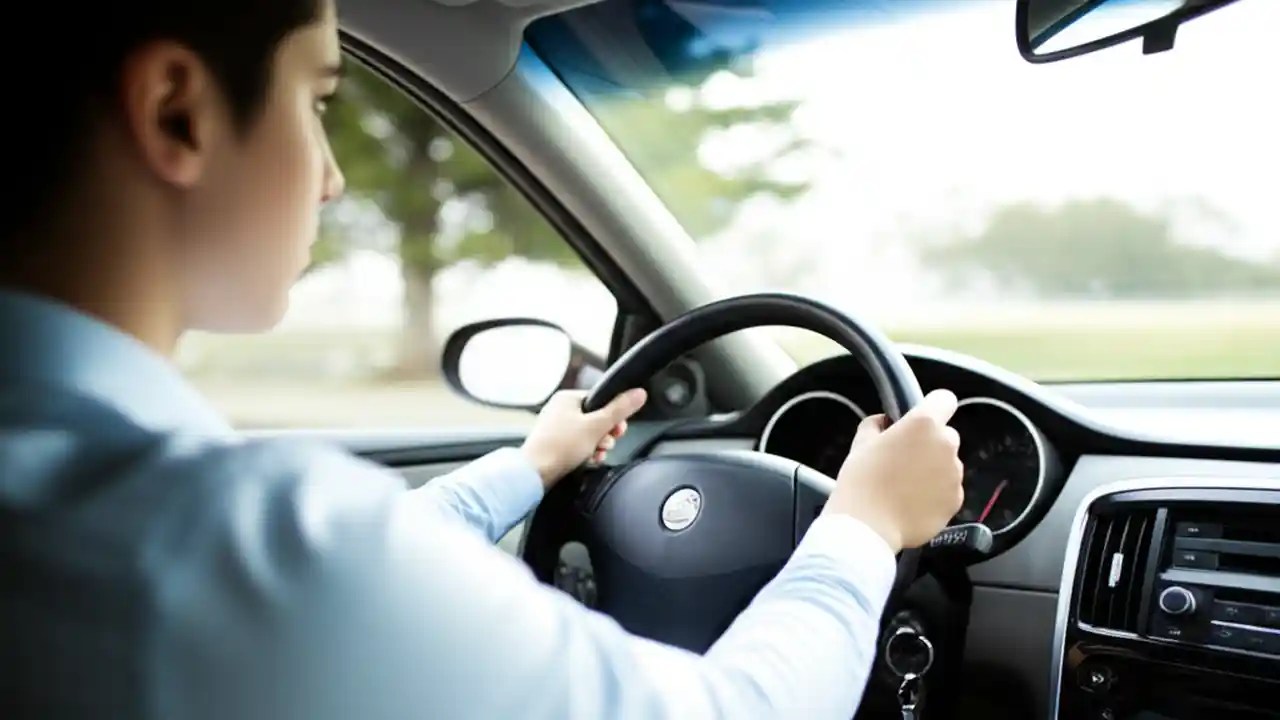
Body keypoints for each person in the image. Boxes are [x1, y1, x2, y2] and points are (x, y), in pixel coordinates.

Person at [0, 2, 964, 718]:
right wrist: (865, 528)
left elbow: (361, 566)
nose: (332, 179)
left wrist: (531, 466)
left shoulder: (119, 519)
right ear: (177, 113)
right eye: (317, 99)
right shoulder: (227, 546)